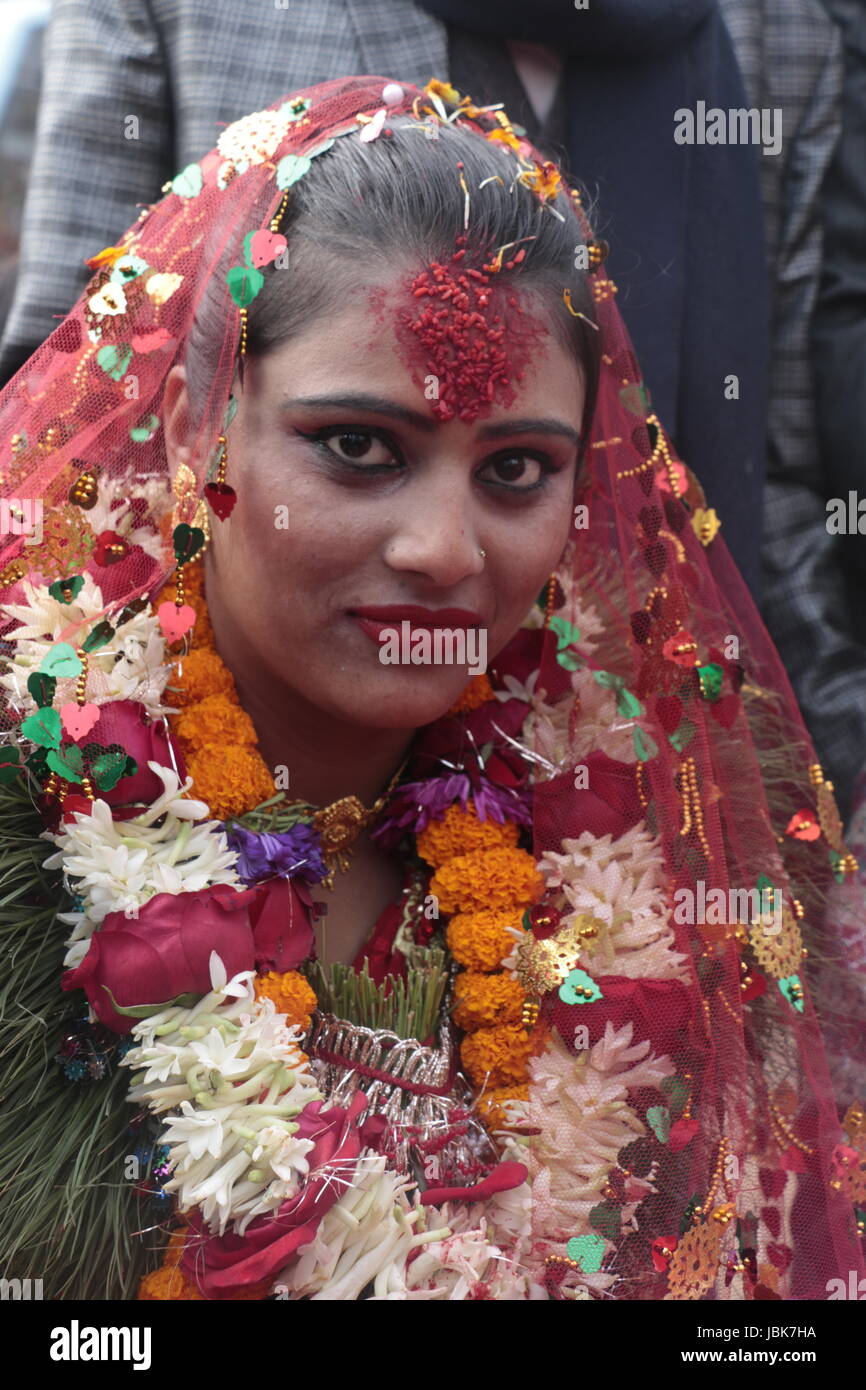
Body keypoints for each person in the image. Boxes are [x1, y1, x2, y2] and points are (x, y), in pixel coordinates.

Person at [0, 76, 863, 1303]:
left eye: (515, 468)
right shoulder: (37, 789)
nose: (444, 550)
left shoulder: (649, 855)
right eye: (359, 448)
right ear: (205, 420)